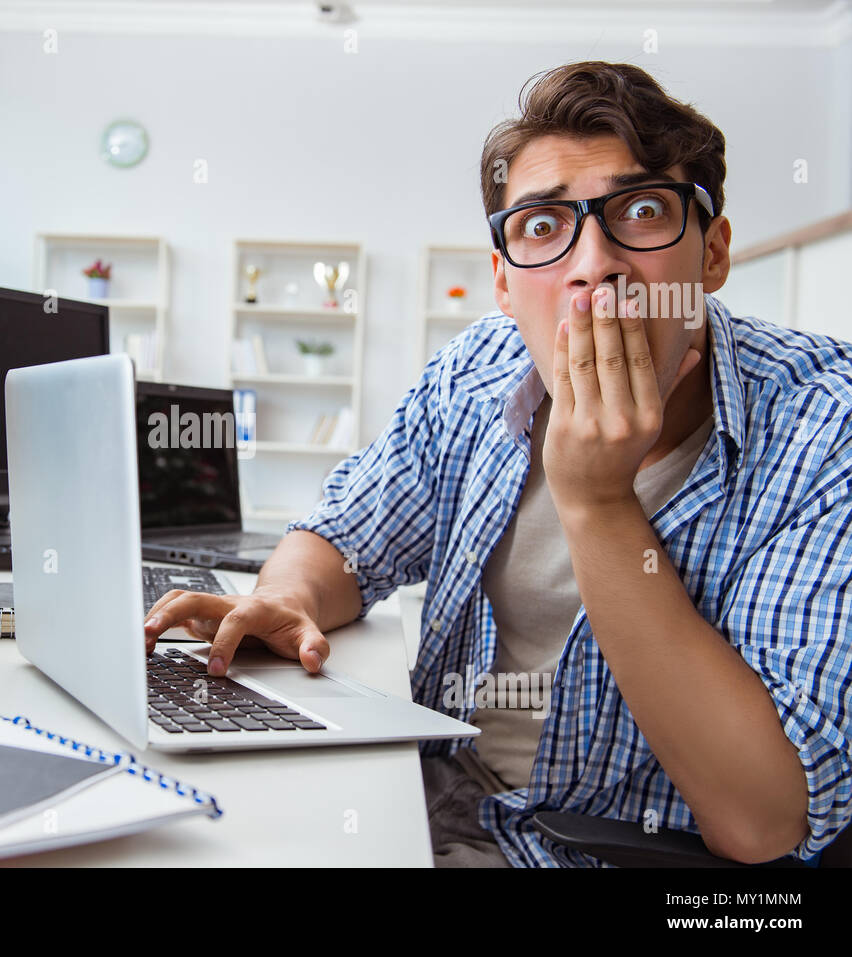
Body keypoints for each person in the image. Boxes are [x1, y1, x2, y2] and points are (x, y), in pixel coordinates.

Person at [143, 60, 852, 867]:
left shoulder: (826, 421)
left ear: (713, 254)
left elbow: (761, 819)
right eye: (544, 227)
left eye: (644, 211)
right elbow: (346, 532)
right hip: (436, 793)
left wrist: (598, 501)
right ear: (505, 284)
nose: (594, 266)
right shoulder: (481, 367)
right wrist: (286, 596)